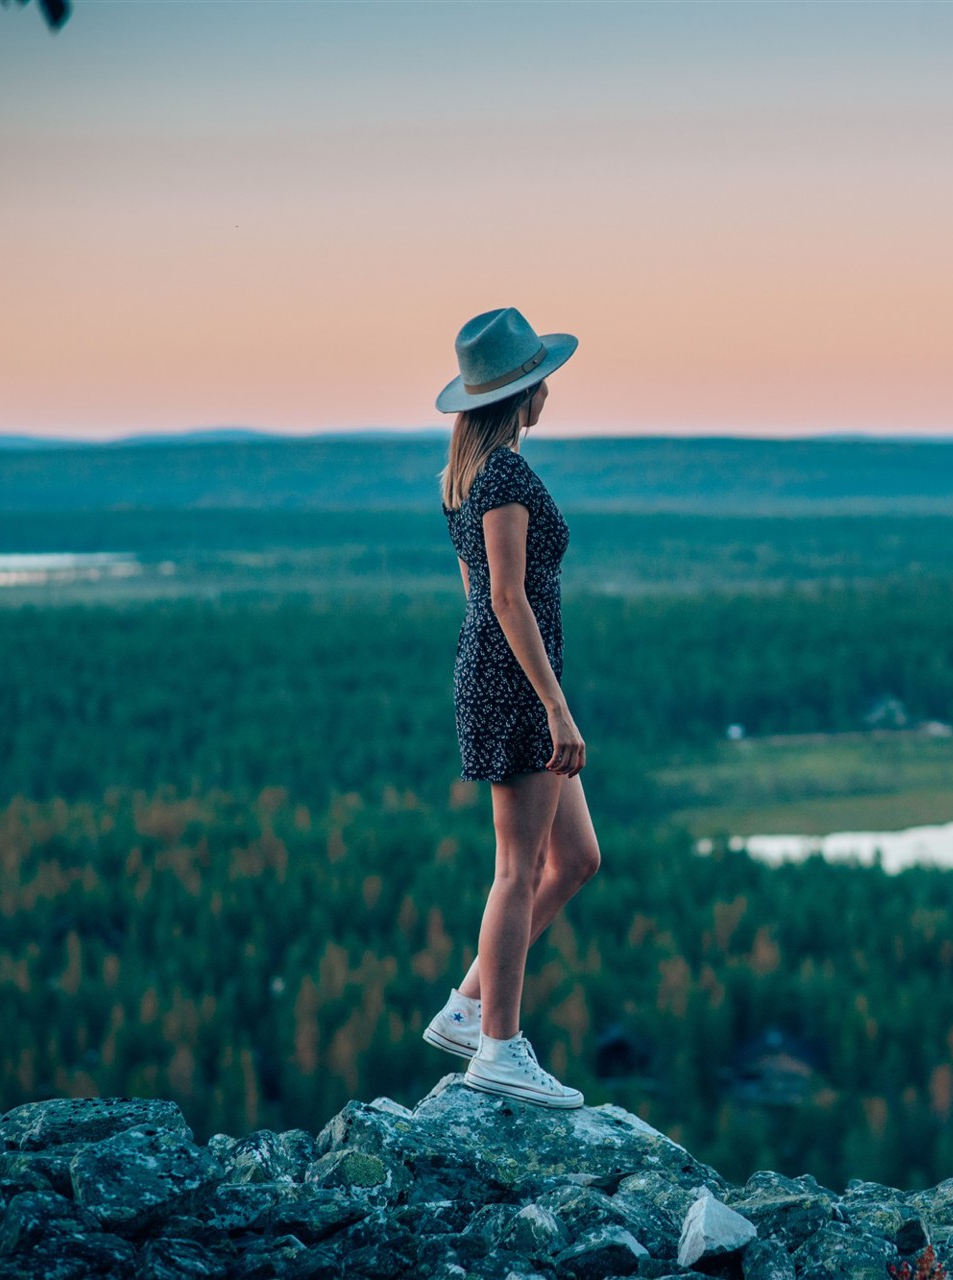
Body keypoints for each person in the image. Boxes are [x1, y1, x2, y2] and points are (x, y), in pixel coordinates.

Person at [420, 306, 597, 1107]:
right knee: (518, 870)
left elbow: (476, 593)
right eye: (541, 380)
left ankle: (467, 1005)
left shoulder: (466, 480)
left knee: (577, 858)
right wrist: (554, 705)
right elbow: (503, 597)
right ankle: (498, 1047)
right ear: (520, 394)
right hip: (517, 688)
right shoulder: (506, 479)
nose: (548, 391)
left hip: (505, 676)